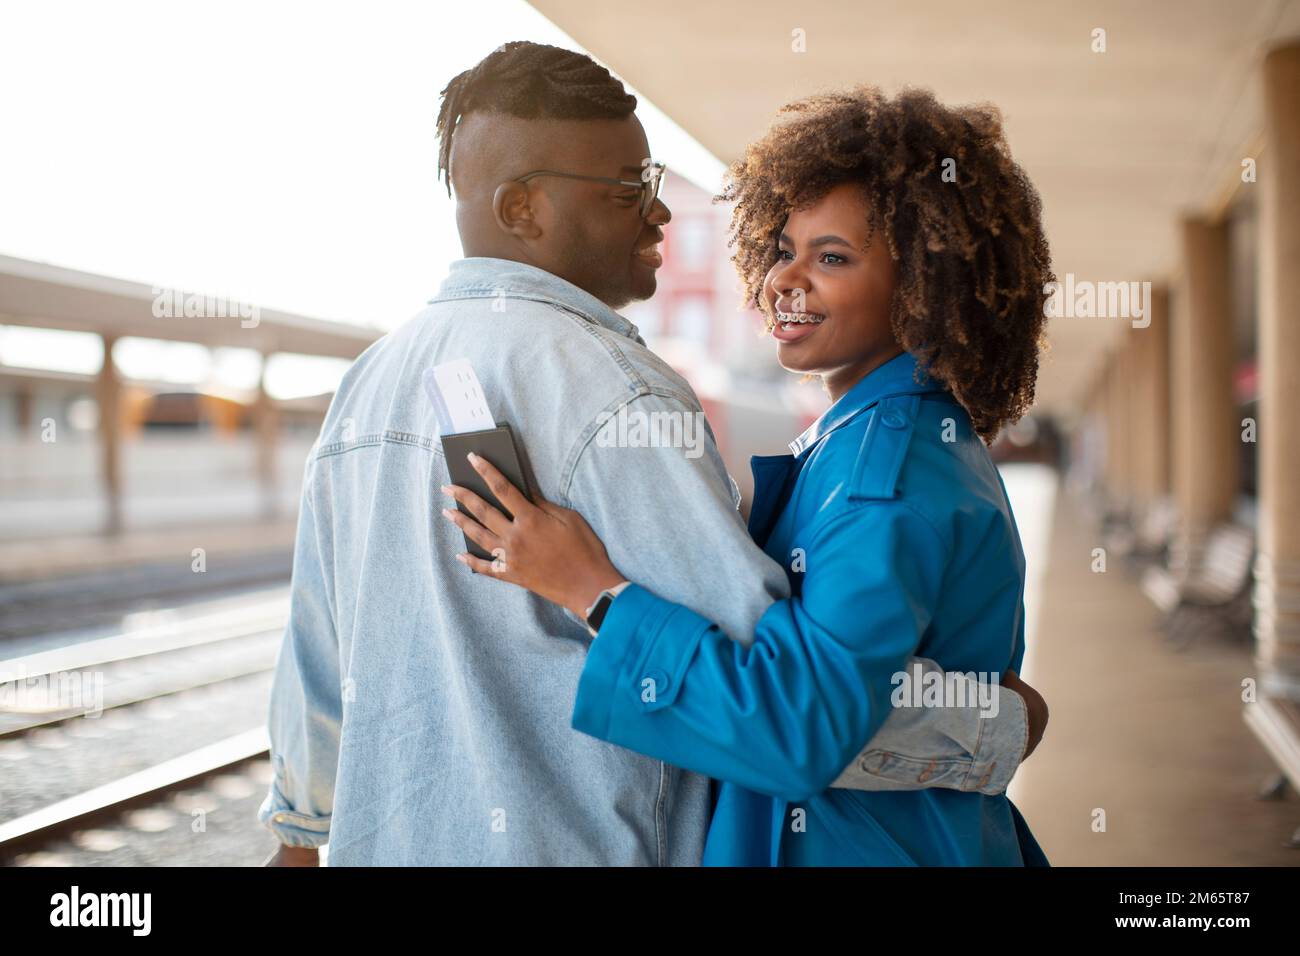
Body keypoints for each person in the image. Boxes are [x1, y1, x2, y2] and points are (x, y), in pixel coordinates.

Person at [260, 44, 1045, 866]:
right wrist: (987, 722)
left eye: (833, 256)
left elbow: (318, 666)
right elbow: (777, 701)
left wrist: (302, 838)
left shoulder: (365, 387)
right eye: (632, 189)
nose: (660, 213)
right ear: (523, 207)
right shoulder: (620, 395)